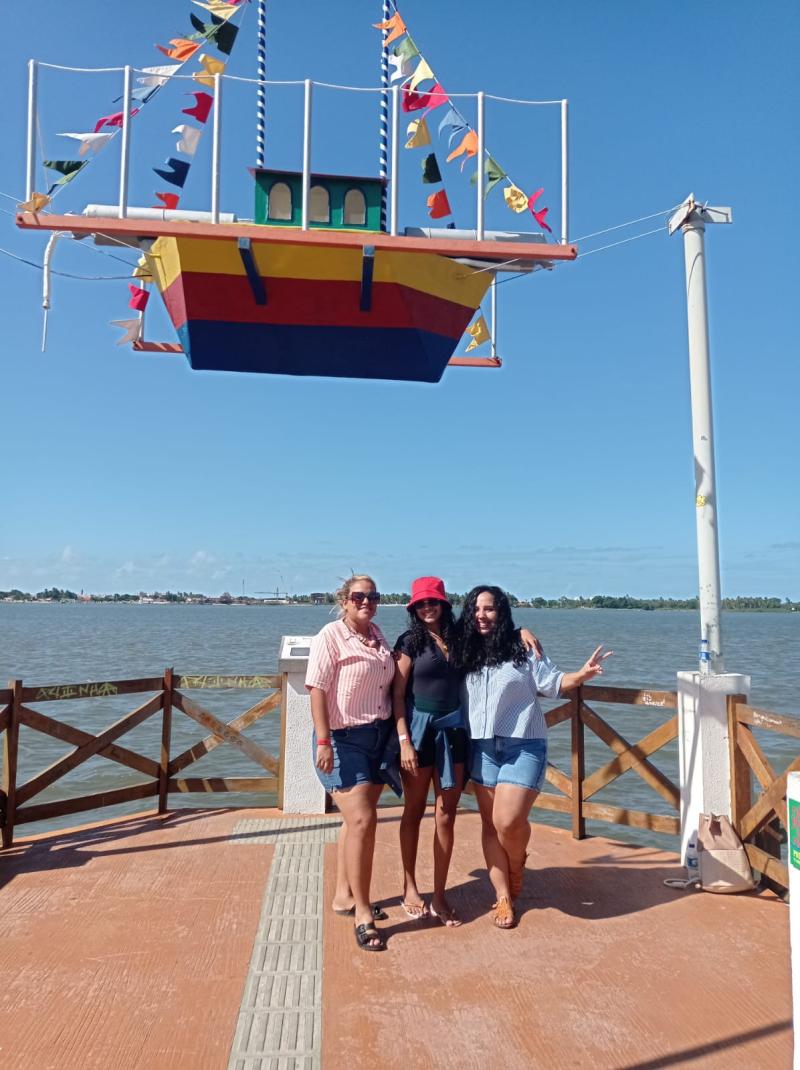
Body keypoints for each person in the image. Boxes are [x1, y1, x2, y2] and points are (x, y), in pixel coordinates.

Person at [457, 585, 612, 930]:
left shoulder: (521, 648)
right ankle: (502, 896)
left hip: (523, 745)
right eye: (476, 609)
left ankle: (517, 863)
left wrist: (582, 675)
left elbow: (553, 682)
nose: (482, 615)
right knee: (489, 825)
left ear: (502, 613)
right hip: (481, 747)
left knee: (508, 822)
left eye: (490, 609)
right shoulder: (464, 649)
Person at [392, 577, 544, 927]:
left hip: (455, 734)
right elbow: (398, 696)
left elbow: (494, 631)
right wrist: (403, 740)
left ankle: (440, 896)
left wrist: (521, 630)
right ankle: (410, 886)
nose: (427, 608)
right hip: (417, 734)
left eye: (434, 602)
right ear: (413, 609)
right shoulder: (408, 643)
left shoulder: (461, 639)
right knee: (413, 811)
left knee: (446, 814)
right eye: (420, 604)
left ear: (445, 604)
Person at [305, 574, 394, 952]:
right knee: (362, 820)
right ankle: (362, 913)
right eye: (359, 596)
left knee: (355, 823)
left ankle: (344, 895)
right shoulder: (331, 635)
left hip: (378, 737)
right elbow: (317, 688)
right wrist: (323, 740)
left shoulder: (378, 635)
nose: (366, 601)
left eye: (373, 596)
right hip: (342, 740)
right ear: (344, 599)